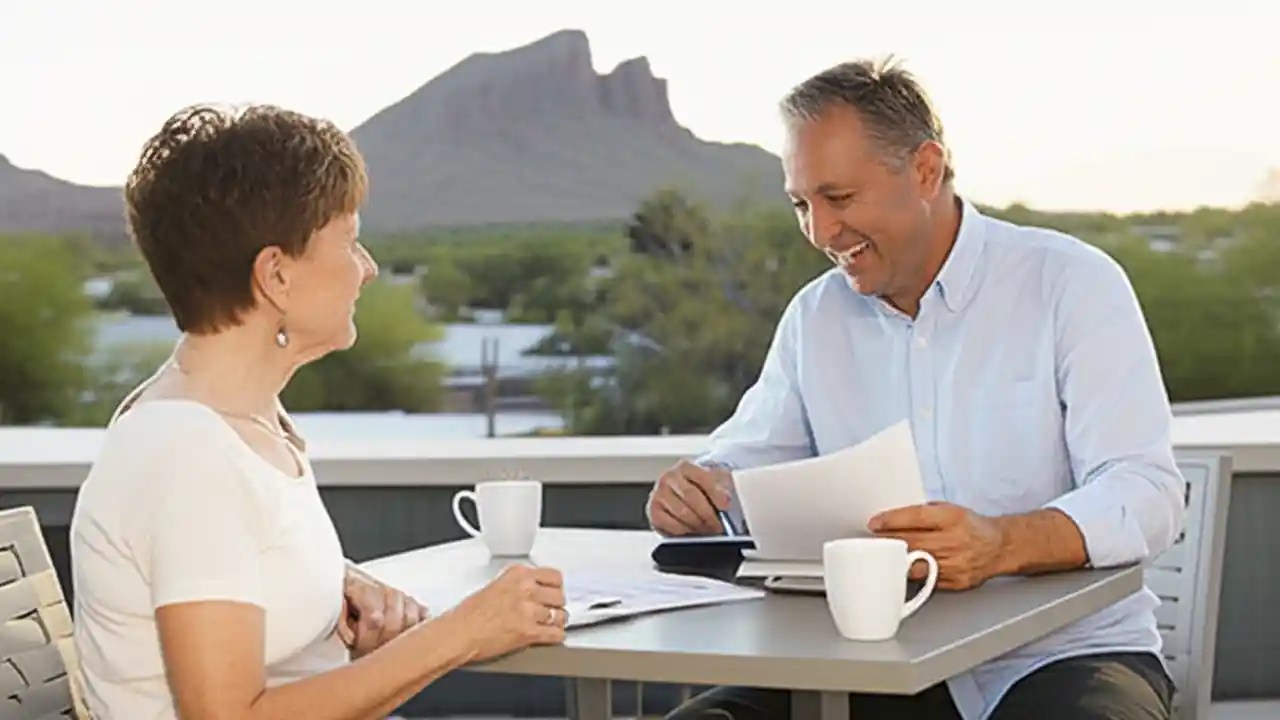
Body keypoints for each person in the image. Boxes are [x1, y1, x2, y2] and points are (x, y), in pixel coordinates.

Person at [647, 57, 1184, 720]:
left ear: (926, 171)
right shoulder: (815, 319)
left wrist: (1003, 544)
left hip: (1063, 658)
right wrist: (703, 493)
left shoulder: (1070, 284)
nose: (819, 232)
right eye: (801, 204)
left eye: (839, 199)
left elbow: (1146, 489)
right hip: (865, 662)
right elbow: (750, 460)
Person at [69, 104, 568, 720]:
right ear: (275, 275)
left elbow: (234, 557)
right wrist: (460, 633)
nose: (368, 269)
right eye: (350, 242)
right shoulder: (185, 452)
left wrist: (338, 584)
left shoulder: (241, 423)